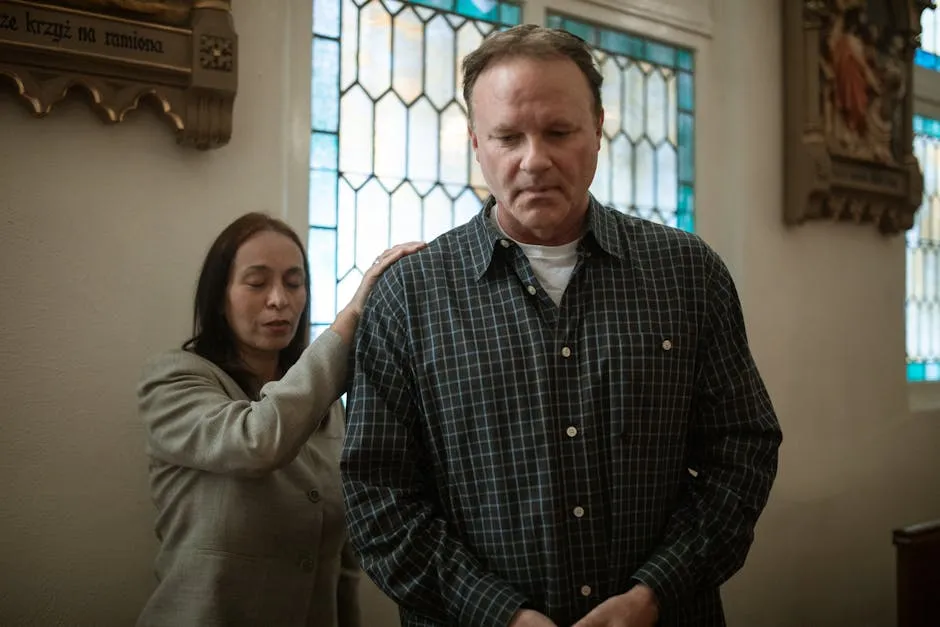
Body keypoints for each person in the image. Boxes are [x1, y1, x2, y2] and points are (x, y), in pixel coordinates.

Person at [341, 24, 782, 627]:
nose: (535, 160)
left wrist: (654, 593)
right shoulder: (408, 299)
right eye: (507, 136)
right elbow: (378, 498)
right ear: (476, 142)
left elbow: (743, 451)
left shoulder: (687, 274)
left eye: (558, 132)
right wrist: (502, 615)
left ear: (598, 129)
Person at [136, 212, 424, 626]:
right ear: (219, 296)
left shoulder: (325, 404)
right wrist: (353, 315)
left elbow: (342, 564)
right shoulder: (173, 379)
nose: (279, 300)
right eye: (257, 283)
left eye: (294, 283)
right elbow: (256, 440)